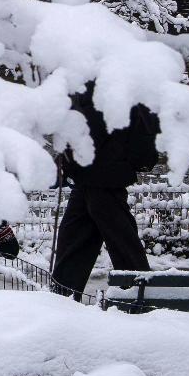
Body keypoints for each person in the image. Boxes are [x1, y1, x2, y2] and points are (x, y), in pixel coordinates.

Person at [50, 87, 158, 298]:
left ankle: (139, 297)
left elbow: (93, 122)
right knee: (83, 239)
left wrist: (70, 154)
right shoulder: (99, 71)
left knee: (118, 242)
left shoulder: (99, 73)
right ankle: (63, 297)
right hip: (98, 172)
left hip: (102, 171)